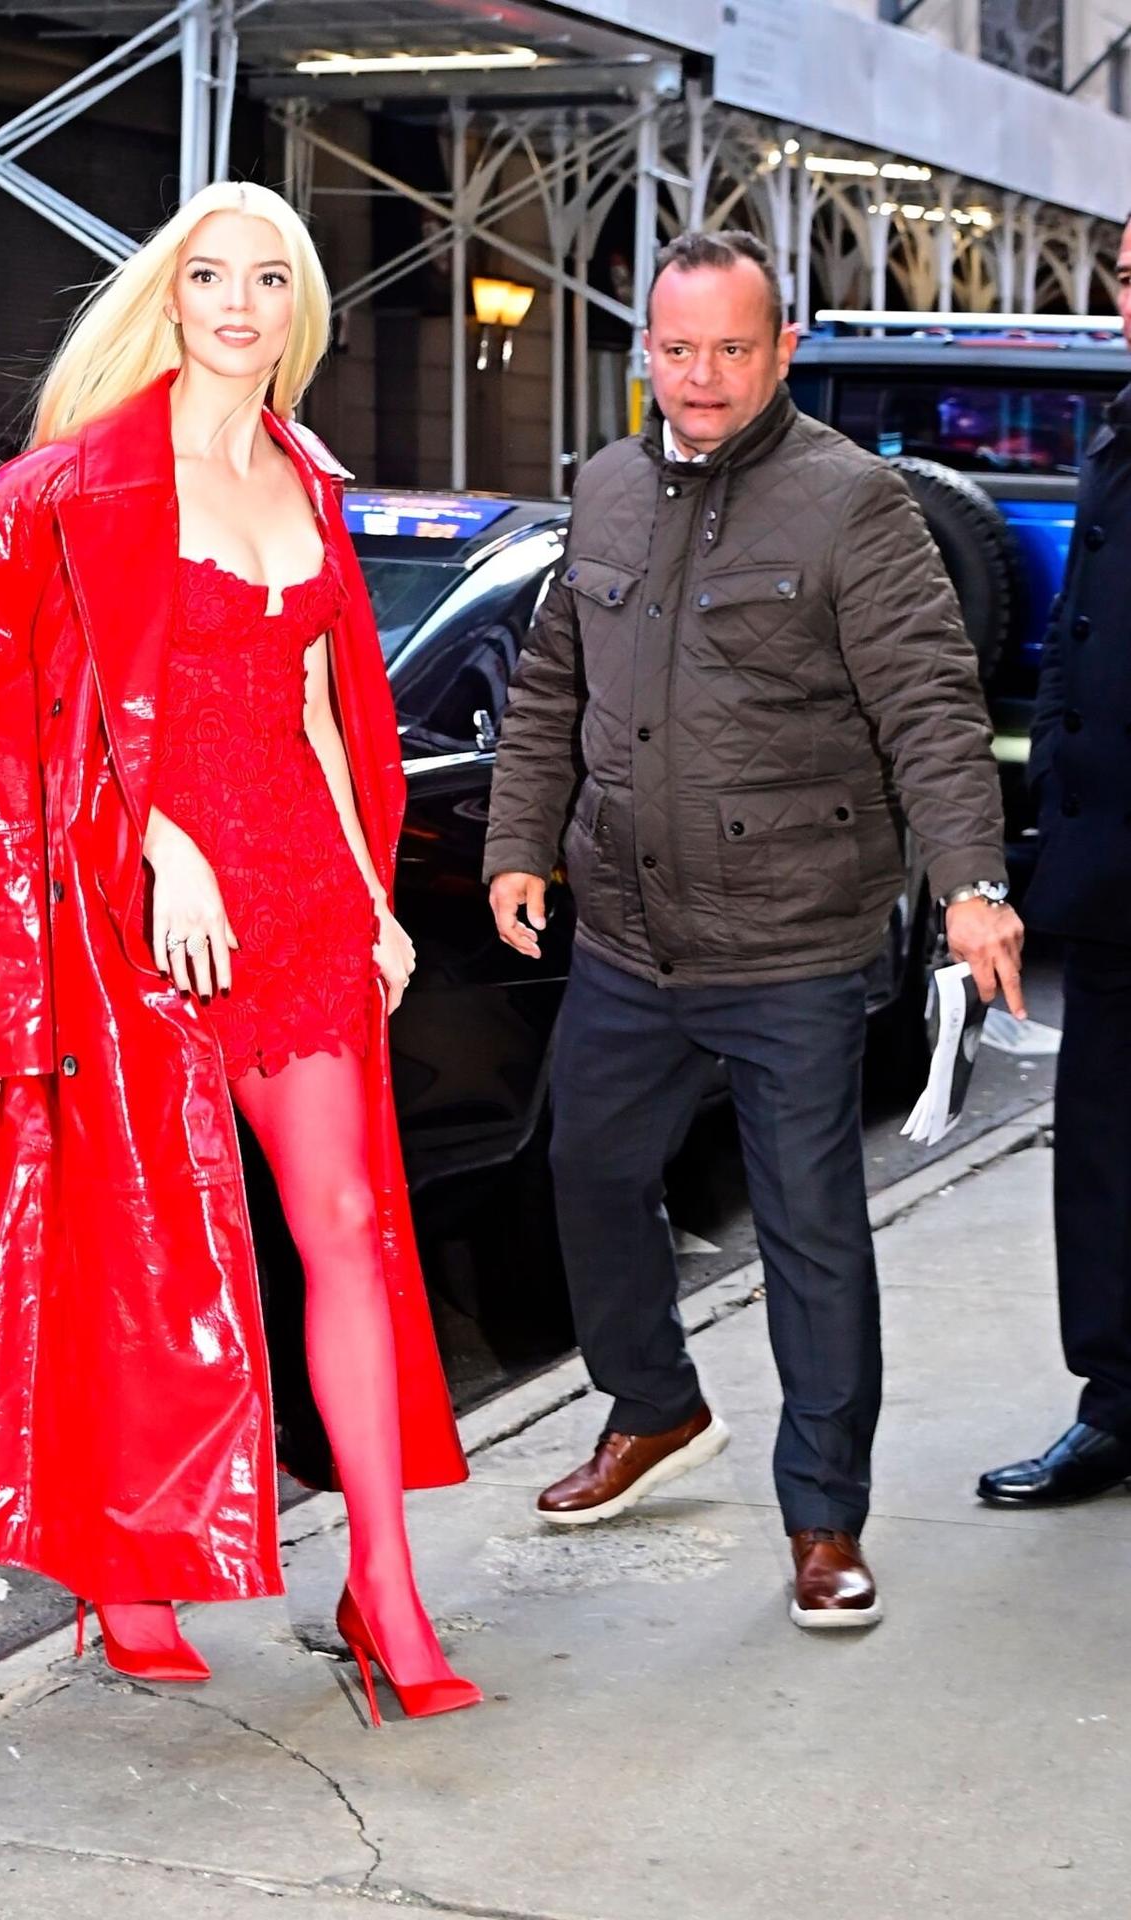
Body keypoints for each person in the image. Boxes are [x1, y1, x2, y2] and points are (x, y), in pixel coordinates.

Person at [0, 181, 479, 1724]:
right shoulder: (84, 486)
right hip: (141, 915)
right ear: (169, 297)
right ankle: (126, 1566)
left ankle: (385, 1586)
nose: (239, 303)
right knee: (150, 1244)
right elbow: (42, 713)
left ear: (298, 309)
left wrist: (370, 898)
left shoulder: (304, 476)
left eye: (268, 279)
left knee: (347, 1226)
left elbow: (318, 713)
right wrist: (155, 841)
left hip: (296, 895)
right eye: (211, 275)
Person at [482, 230, 1022, 1631]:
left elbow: (927, 704)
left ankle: (823, 1520)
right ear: (645, 351)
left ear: (781, 348)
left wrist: (968, 881)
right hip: (628, 934)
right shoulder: (605, 487)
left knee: (809, 1233)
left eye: (732, 347)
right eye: (678, 349)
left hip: (791, 938)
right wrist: (516, 842)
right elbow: (551, 687)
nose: (703, 376)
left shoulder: (853, 503)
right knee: (589, 1173)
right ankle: (652, 1405)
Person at [978, 213, 1131, 1511]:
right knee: (1102, 1155)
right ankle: (1115, 1405)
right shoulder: (1115, 434)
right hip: (1107, 872)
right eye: (1130, 277)